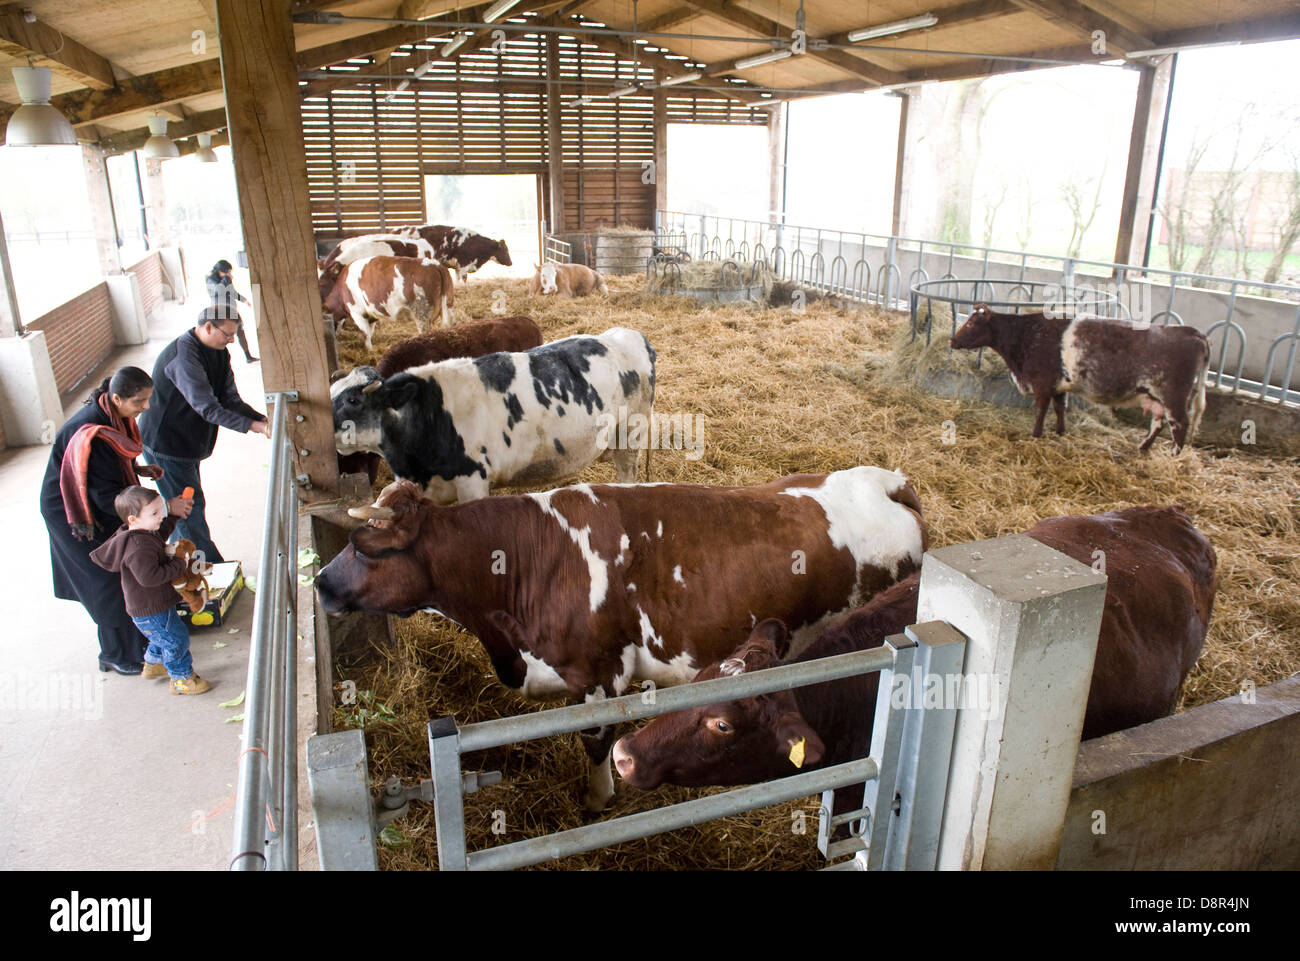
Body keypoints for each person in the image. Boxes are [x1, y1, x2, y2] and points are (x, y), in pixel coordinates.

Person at [39, 366, 194, 675]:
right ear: (117, 397)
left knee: (127, 571)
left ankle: (144, 639)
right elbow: (102, 493)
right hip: (75, 514)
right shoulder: (89, 433)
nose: (145, 408)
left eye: (149, 399)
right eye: (138, 402)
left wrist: (136, 472)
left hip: (106, 502)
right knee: (106, 580)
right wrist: (163, 506)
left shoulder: (113, 417)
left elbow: (110, 469)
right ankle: (117, 654)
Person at [139, 306, 270, 565]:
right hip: (167, 446)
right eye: (228, 334)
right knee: (186, 509)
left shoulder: (218, 352)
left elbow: (229, 398)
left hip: (187, 443)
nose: (233, 340)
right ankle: (205, 568)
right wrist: (258, 428)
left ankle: (197, 565)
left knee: (191, 502)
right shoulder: (183, 358)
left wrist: (262, 419)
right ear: (208, 327)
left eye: (235, 334)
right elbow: (208, 408)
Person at [90, 486, 211, 695]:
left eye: (161, 509)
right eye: (154, 513)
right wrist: (179, 564)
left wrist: (173, 516)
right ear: (133, 519)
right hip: (150, 608)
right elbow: (149, 577)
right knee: (176, 638)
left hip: (154, 604)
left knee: (162, 636)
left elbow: (160, 533)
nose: (161, 516)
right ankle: (181, 678)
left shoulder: (143, 533)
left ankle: (154, 665)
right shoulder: (138, 548)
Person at [205, 259, 257, 363]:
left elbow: (232, 292)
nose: (228, 274)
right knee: (221, 335)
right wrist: (225, 279)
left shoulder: (226, 279)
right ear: (219, 271)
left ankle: (248, 356)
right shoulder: (210, 279)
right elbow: (217, 291)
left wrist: (243, 300)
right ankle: (218, 360)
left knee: (240, 331)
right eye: (226, 272)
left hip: (232, 310)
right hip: (220, 312)